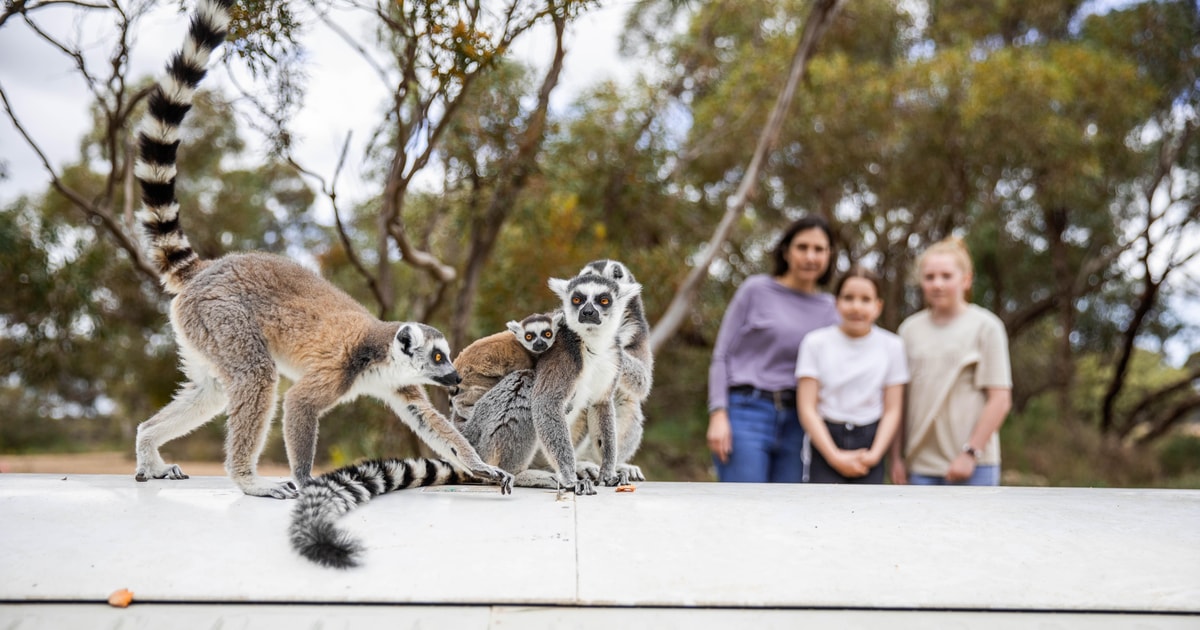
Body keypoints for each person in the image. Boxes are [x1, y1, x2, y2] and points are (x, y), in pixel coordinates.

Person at [706, 216, 839, 482]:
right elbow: (722, 355)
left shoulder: (831, 308)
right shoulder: (755, 291)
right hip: (747, 413)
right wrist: (718, 413)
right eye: (802, 247)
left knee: (784, 513)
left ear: (829, 255)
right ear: (786, 251)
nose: (810, 256)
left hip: (798, 423)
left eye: (819, 249)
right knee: (746, 508)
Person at [889, 237, 1013, 486]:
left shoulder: (986, 327)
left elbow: (1000, 400)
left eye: (946, 276)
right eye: (929, 277)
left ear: (966, 280)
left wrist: (970, 454)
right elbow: (899, 402)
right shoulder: (908, 331)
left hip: (974, 467)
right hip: (920, 467)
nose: (937, 284)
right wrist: (896, 459)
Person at [795, 266, 908, 484]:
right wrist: (834, 456)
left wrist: (875, 454)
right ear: (836, 302)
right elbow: (807, 408)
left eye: (865, 299)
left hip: (872, 441)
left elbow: (893, 409)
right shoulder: (814, 343)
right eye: (848, 298)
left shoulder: (893, 346)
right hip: (825, 440)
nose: (856, 307)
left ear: (878, 306)